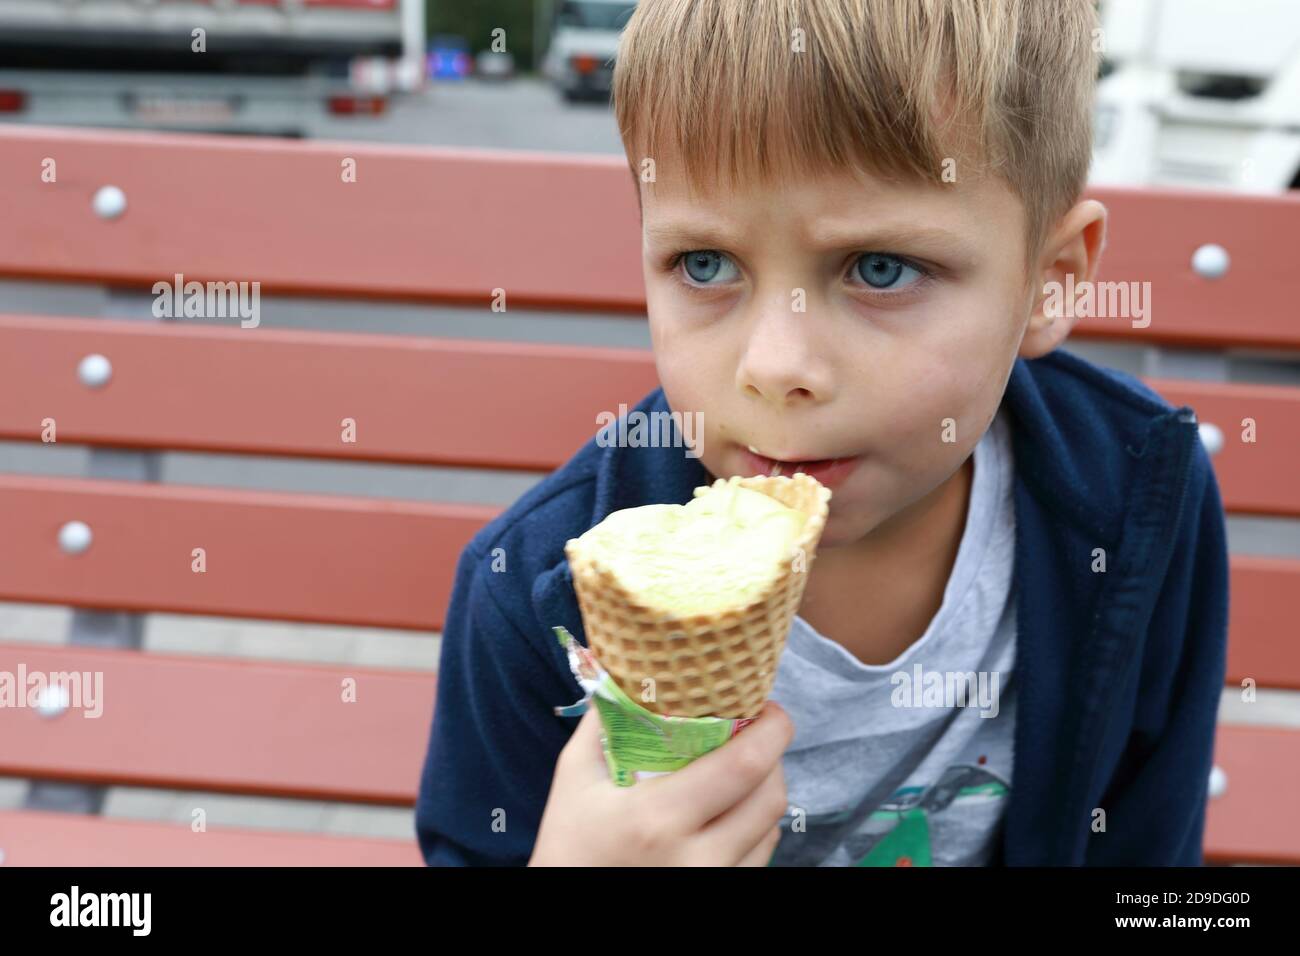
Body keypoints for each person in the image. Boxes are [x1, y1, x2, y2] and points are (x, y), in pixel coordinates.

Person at [415, 0, 1229, 866]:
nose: (774, 366)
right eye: (706, 265)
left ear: (1051, 282)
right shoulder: (536, 592)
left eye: (881, 270)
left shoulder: (1140, 498)